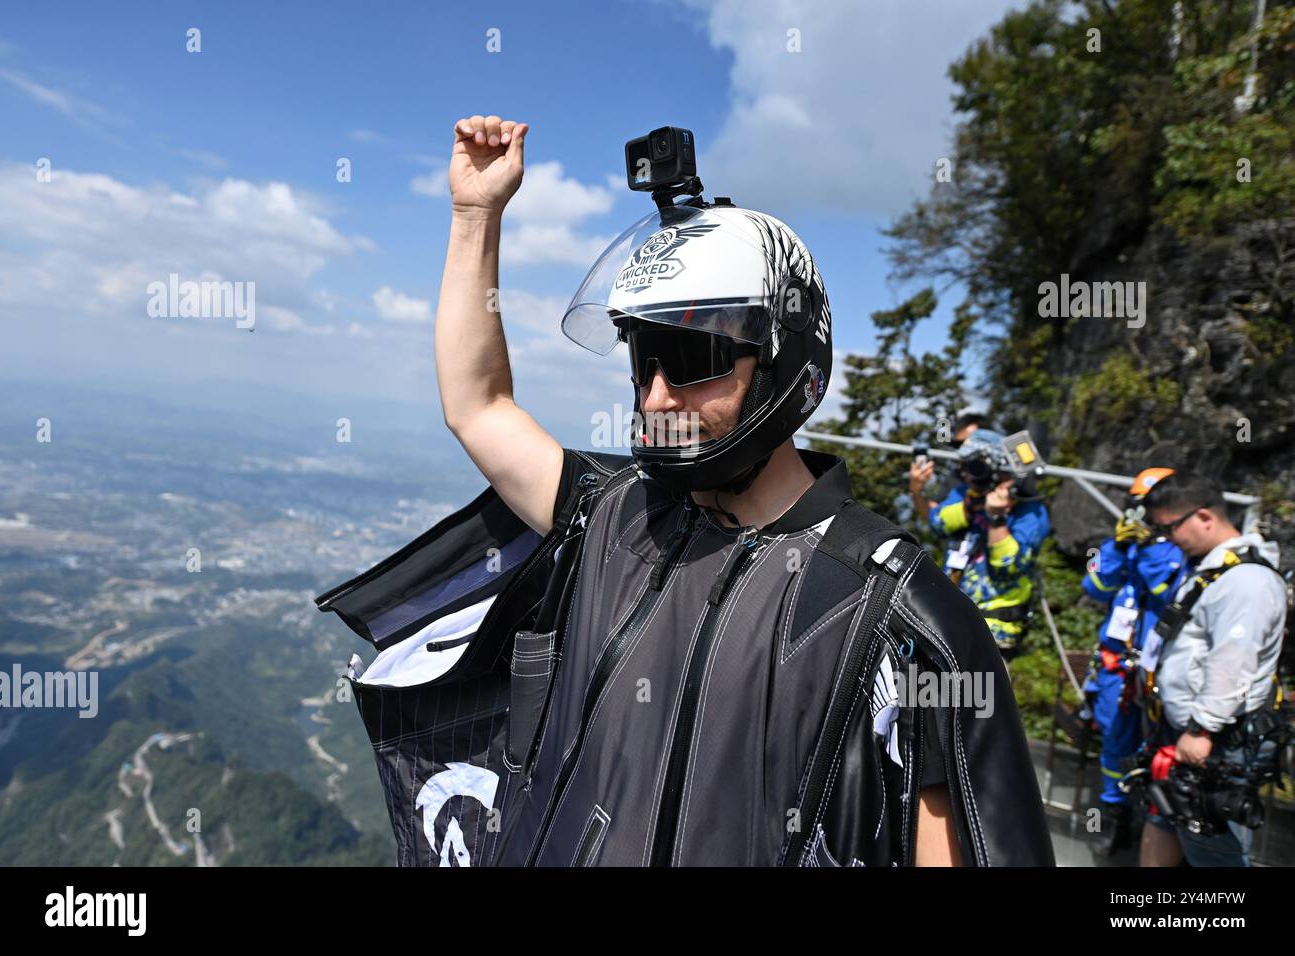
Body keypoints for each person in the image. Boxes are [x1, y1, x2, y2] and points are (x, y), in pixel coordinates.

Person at [431, 113, 1052, 866]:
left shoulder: (896, 620)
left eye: (693, 357)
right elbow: (478, 406)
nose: (656, 398)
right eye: (645, 359)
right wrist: (476, 214)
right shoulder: (614, 512)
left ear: (785, 364)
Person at [1137, 472, 1286, 867]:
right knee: (1172, 817)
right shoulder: (1211, 569)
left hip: (1218, 738)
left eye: (1169, 527)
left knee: (1214, 846)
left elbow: (1233, 660)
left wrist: (1201, 729)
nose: (1166, 537)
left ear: (1204, 516)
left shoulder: (1247, 580)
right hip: (1187, 731)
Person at [1080, 467, 1185, 856]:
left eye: (1147, 506)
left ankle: (1153, 814)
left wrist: (1153, 545)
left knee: (1158, 747)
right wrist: (1118, 547)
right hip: (1116, 669)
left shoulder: (1178, 552)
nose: (1140, 514)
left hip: (1158, 669)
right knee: (1114, 742)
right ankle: (1113, 810)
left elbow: (1167, 592)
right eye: (1135, 506)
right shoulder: (1125, 546)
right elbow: (1094, 585)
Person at [927, 430, 1051, 658]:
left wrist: (996, 519)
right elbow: (937, 523)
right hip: (948, 622)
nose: (963, 474)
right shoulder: (966, 493)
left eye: (971, 466)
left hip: (993, 633)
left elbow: (1007, 569)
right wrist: (968, 508)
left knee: (980, 693)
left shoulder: (1030, 512)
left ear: (993, 468)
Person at [908, 412, 991, 519]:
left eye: (971, 443)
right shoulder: (956, 478)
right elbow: (932, 514)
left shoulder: (1009, 474)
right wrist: (916, 490)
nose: (964, 450)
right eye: (958, 445)